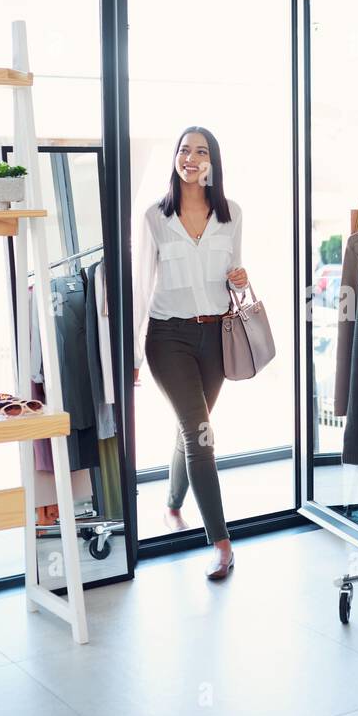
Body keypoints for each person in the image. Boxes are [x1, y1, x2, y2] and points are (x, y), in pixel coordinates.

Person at [133, 127, 248, 580]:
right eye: (185, 150)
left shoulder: (231, 214)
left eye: (201, 151)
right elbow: (142, 285)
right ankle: (221, 543)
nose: (192, 158)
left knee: (192, 430)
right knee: (202, 436)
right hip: (168, 339)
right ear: (176, 159)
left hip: (215, 337)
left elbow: (234, 272)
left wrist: (238, 279)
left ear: (213, 162)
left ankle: (172, 503)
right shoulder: (155, 217)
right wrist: (131, 357)